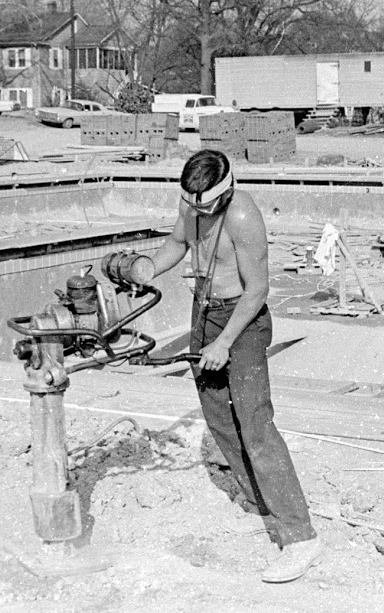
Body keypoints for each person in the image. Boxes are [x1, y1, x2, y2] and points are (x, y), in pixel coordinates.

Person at [128, 149, 323, 583]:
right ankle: (259, 503)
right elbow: (178, 245)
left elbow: (257, 291)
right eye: (193, 204)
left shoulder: (243, 217)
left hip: (243, 321)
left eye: (207, 204)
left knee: (255, 423)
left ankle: (300, 536)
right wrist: (148, 268)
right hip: (205, 310)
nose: (199, 211)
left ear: (227, 189)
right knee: (217, 414)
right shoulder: (192, 202)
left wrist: (225, 342)